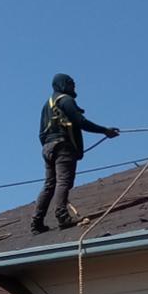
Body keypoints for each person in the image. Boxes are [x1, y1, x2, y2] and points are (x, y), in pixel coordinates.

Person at [32, 73, 119, 235]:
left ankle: (36, 222)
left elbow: (40, 134)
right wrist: (104, 131)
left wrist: (48, 147)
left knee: (49, 184)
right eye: (71, 83)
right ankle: (62, 217)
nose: (74, 87)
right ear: (64, 85)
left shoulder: (47, 105)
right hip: (63, 146)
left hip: (48, 148)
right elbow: (81, 122)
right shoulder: (66, 101)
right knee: (63, 181)